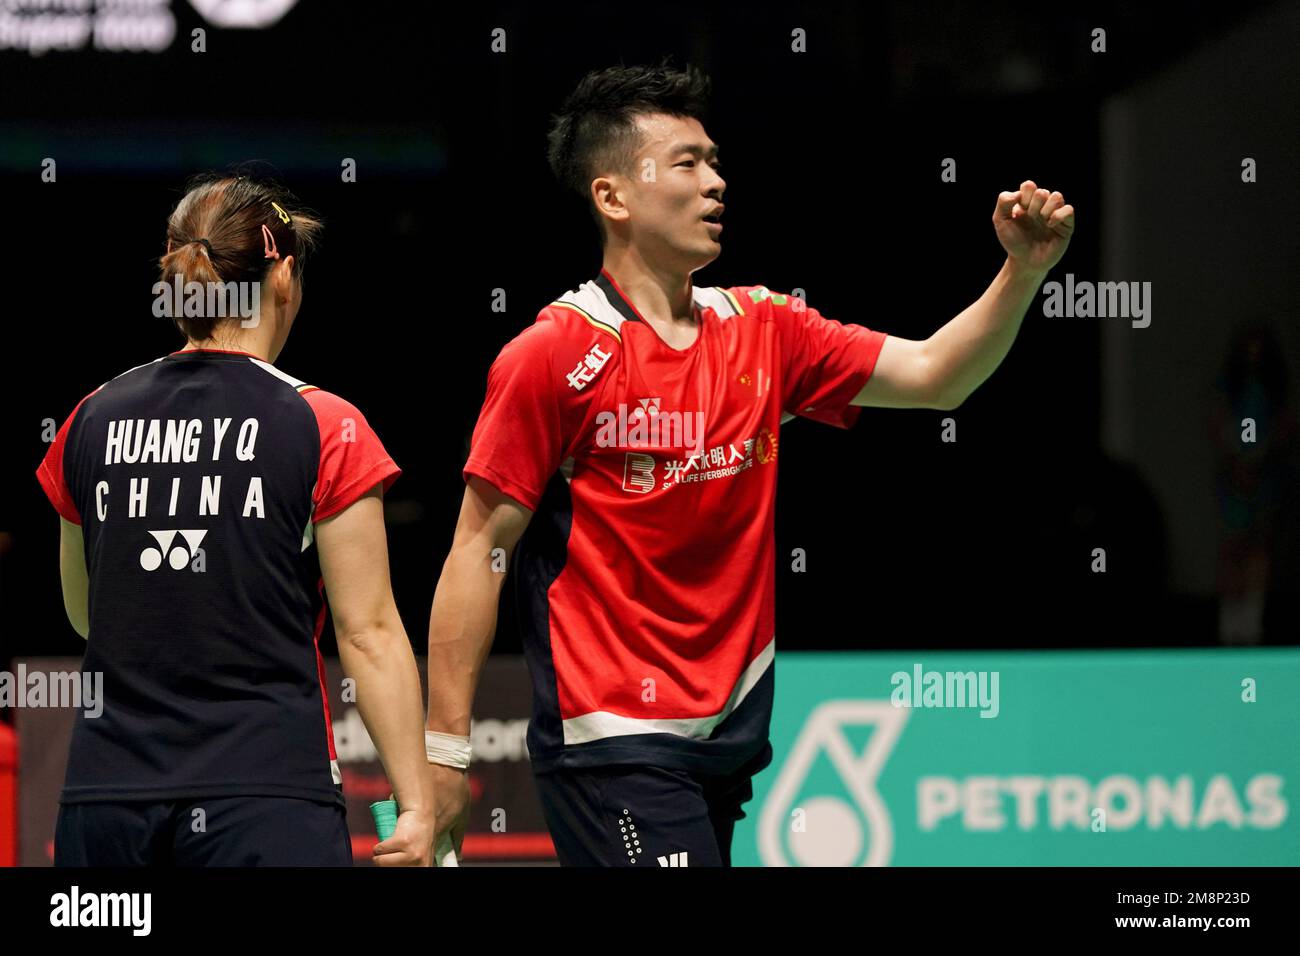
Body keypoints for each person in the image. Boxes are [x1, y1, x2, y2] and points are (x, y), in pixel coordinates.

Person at [423, 61, 1074, 866]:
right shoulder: (553, 356)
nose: (716, 183)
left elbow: (940, 376)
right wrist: (447, 757)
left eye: (716, 161)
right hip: (614, 739)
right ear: (613, 197)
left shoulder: (764, 330)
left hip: (724, 737)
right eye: (688, 164)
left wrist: (1025, 270)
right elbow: (476, 554)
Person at [36, 171, 433, 866]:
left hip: (107, 802)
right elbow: (367, 634)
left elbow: (86, 614)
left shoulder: (90, 417)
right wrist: (418, 805)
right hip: (266, 802)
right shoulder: (324, 424)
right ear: (281, 277)